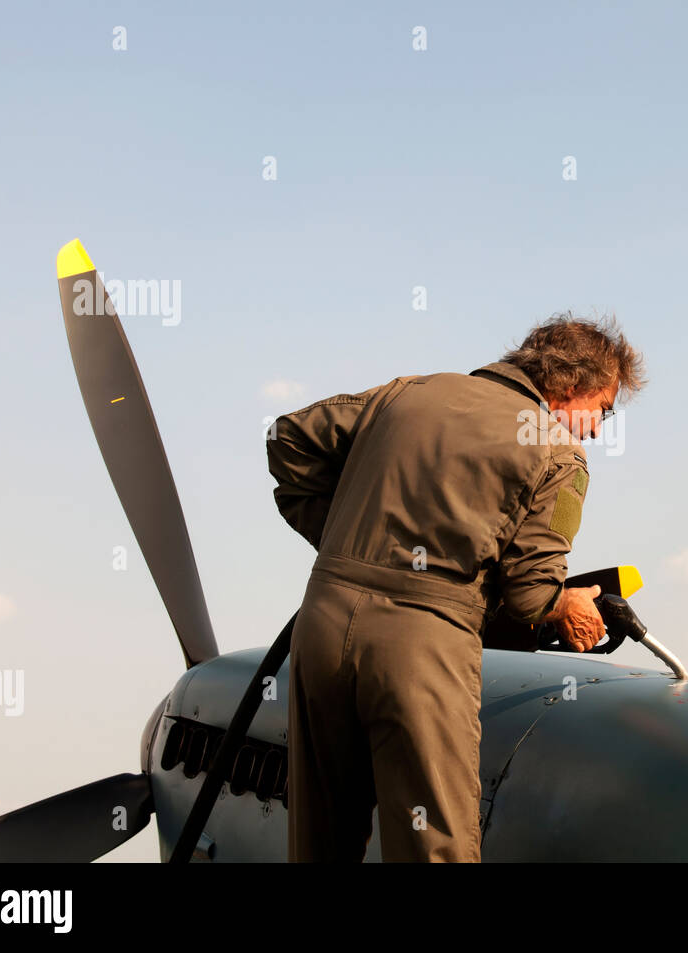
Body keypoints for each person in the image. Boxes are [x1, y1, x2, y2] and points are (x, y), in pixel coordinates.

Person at [267, 313, 645, 862]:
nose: (596, 429)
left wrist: (347, 538)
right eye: (604, 410)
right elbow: (529, 593)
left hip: (321, 627)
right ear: (572, 386)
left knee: (319, 839)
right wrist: (567, 603)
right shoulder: (557, 454)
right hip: (422, 647)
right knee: (433, 841)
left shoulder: (404, 394)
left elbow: (287, 437)